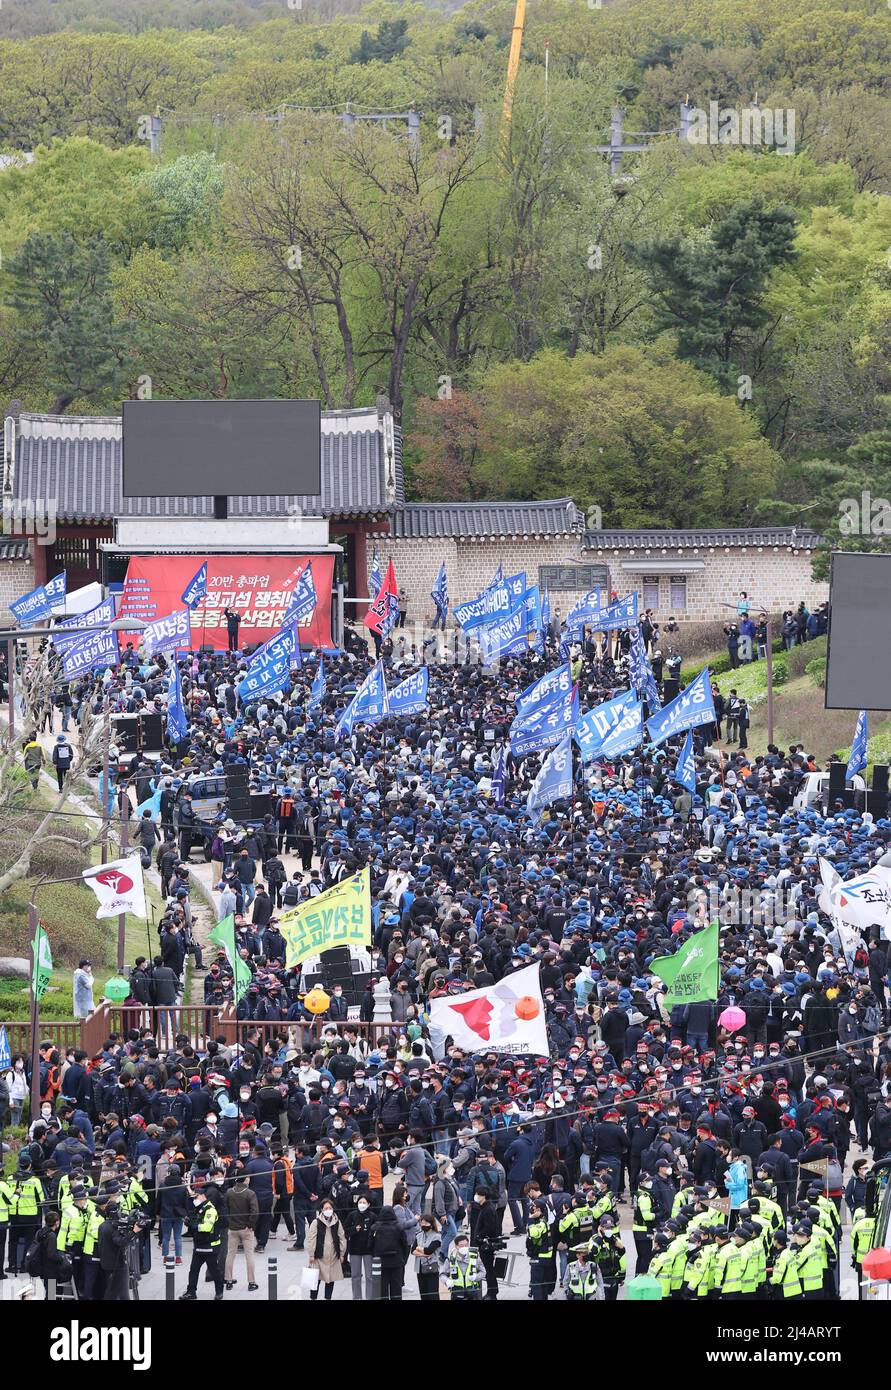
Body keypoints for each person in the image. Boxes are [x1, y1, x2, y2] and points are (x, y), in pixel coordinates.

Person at [179, 1188, 224, 1301]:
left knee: (214, 1271)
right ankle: (191, 1292)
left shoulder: (210, 1210)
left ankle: (219, 1292)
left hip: (211, 1247)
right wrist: (189, 1222)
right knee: (193, 1270)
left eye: (196, 1197)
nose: (195, 1199)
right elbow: (195, 1221)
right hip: (199, 1245)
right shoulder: (199, 1209)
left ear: (203, 1196)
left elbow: (207, 1227)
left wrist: (194, 1226)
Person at [225, 1172, 259, 1292]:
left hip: (233, 1228)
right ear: (245, 1179)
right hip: (246, 1229)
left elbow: (226, 1209)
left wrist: (230, 1222)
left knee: (230, 1254)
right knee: (249, 1255)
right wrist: (250, 1224)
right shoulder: (250, 1193)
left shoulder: (229, 1192)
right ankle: (251, 1282)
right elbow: (255, 1212)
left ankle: (228, 1280)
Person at [306, 1199, 346, 1301]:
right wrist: (311, 1254)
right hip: (319, 1257)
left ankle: (328, 1298)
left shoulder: (337, 1222)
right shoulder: (316, 1222)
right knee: (316, 1280)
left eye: (330, 1208)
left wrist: (342, 1253)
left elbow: (342, 1237)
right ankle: (313, 1298)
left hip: (333, 1256)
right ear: (322, 1210)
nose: (328, 1210)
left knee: (330, 1280)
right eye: (326, 1208)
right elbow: (311, 1239)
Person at [371, 1204, 410, 1300]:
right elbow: (405, 1244)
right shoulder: (399, 1227)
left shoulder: (375, 1227)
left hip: (381, 1262)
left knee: (382, 1290)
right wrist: (403, 1260)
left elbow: (370, 1244)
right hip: (396, 1262)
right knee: (396, 1290)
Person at [412, 1214, 442, 1301]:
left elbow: (429, 1250)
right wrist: (424, 1252)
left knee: (432, 1294)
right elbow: (413, 1250)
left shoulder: (437, 1236)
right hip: (420, 1268)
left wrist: (420, 1249)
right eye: (422, 1223)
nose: (423, 1225)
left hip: (432, 1267)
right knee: (423, 1293)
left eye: (426, 1223)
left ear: (431, 1224)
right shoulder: (419, 1235)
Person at [446, 1232, 483, 1301]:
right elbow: (442, 1274)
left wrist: (476, 1277)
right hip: (457, 1291)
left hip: (472, 1291)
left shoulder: (475, 1256)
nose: (464, 1247)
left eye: (466, 1245)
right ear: (456, 1246)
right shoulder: (451, 1258)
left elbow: (483, 1271)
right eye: (461, 1245)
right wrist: (446, 1281)